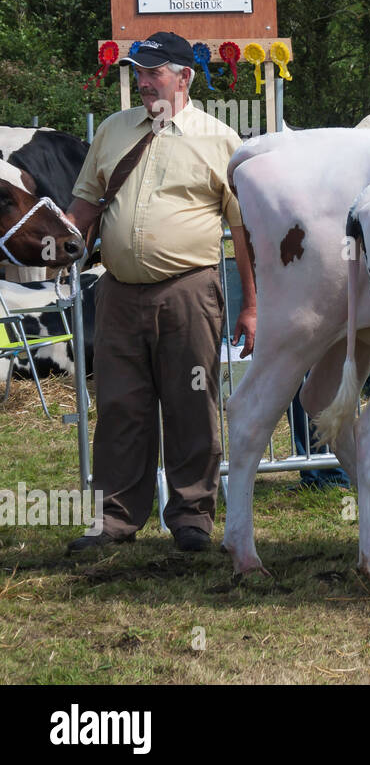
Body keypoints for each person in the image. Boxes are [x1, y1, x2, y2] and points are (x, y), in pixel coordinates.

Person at [65, 31, 256, 554]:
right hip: (118, 291)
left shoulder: (221, 140)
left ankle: (192, 515)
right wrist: (51, 247)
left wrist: (255, 307)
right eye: (139, 72)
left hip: (189, 292)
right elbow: (83, 207)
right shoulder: (112, 130)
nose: (144, 82)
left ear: (184, 77)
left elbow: (243, 231)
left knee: (192, 401)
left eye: (154, 72)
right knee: (121, 406)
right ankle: (114, 518)